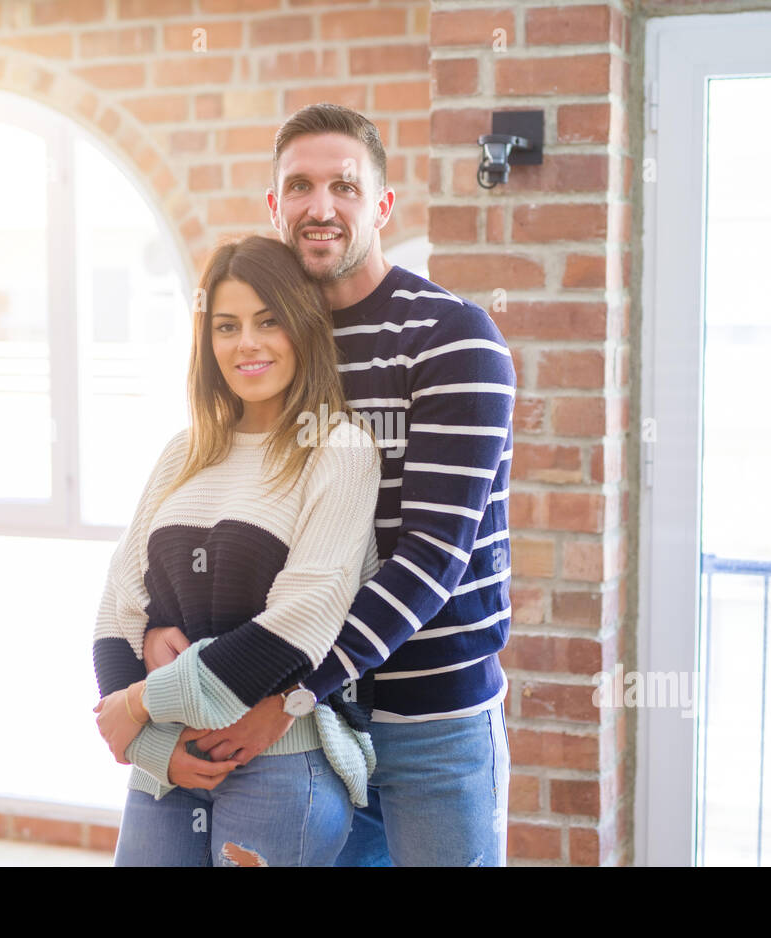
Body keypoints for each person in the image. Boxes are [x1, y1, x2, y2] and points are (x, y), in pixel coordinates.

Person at [142, 104, 517, 866]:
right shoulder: (271, 344)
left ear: (381, 205)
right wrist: (157, 624)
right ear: (274, 208)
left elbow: (432, 557)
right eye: (301, 186)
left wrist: (289, 696)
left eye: (344, 186)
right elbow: (224, 500)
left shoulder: (453, 339)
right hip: (302, 731)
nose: (321, 206)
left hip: (424, 719)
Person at [90, 234, 381, 867]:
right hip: (166, 764)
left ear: (302, 328)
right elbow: (118, 607)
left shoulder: (341, 448)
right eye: (226, 326)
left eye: (267, 321)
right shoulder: (183, 452)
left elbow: (297, 627)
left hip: (281, 765)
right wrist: (149, 747)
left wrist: (140, 701)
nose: (245, 343)